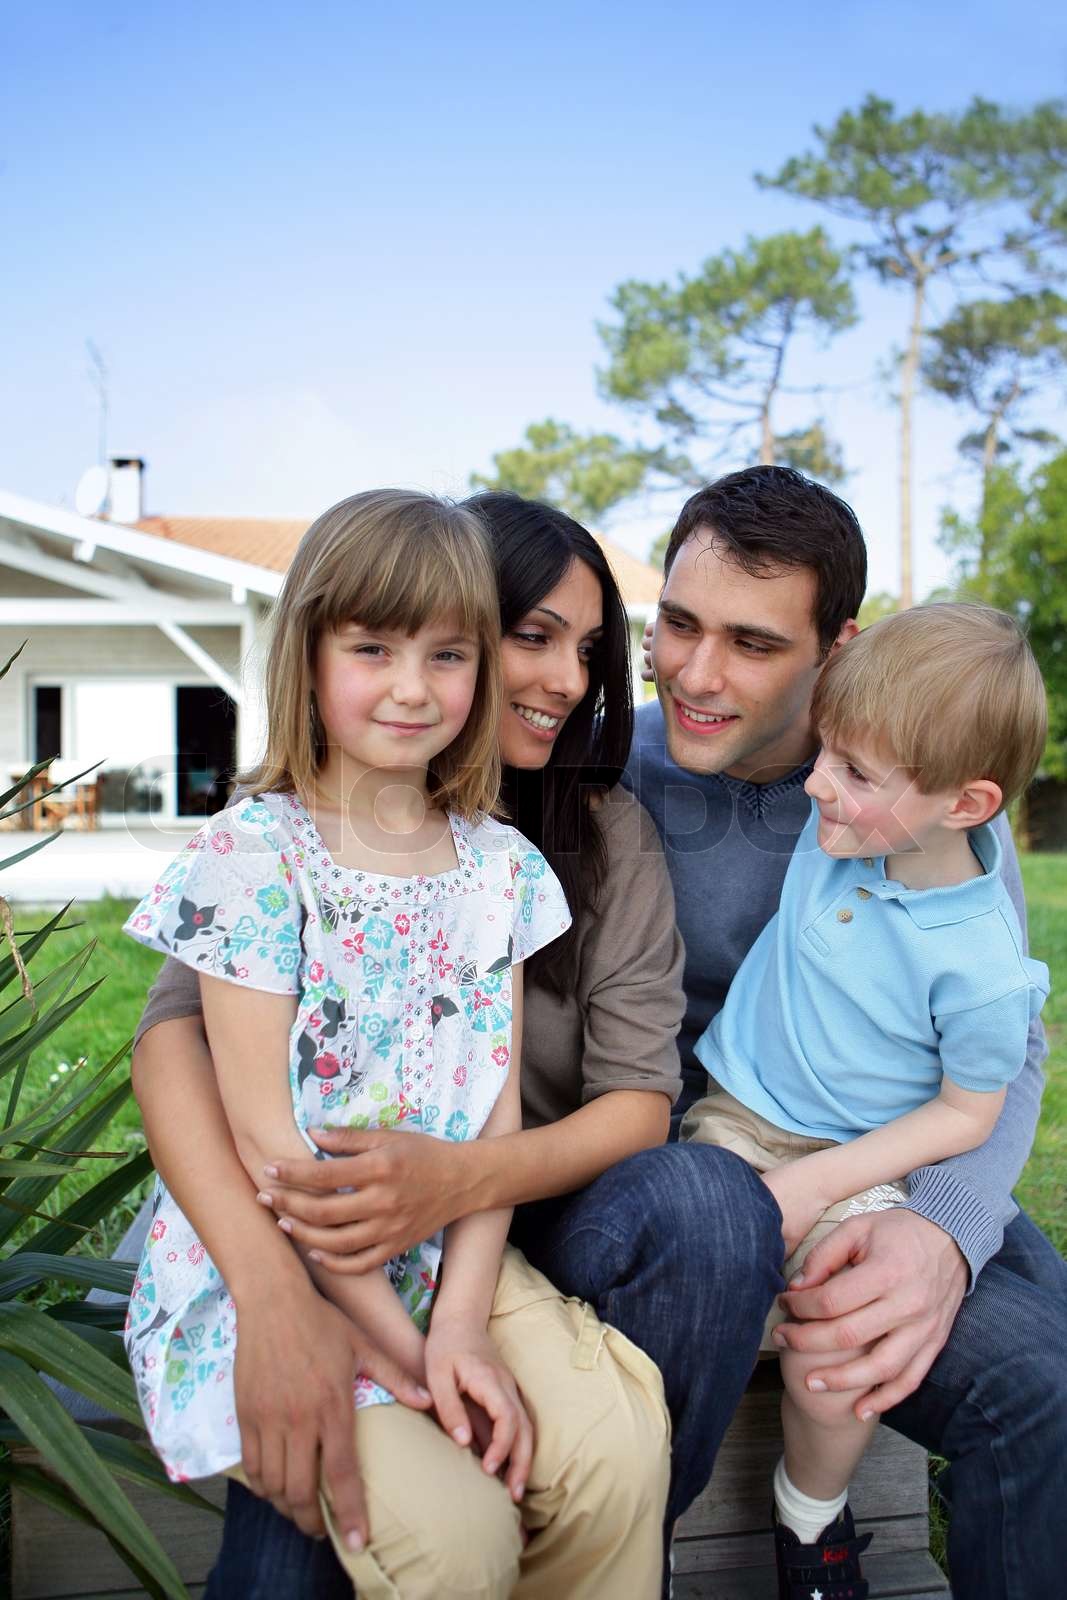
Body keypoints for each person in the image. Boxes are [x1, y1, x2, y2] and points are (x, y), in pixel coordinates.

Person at [131, 490, 759, 1599]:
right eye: (531, 637)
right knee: (378, 1534)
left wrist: (456, 1250)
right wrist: (304, 1302)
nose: (564, 679)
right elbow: (198, 1064)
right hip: (303, 1242)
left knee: (614, 1443)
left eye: (587, 648)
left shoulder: (528, 857)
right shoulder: (262, 847)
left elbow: (530, 1102)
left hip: (483, 1231)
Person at [627, 466, 1065, 1600]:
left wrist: (947, 1232)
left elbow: (1003, 1044)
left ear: (836, 649)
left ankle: (812, 1534)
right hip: (695, 1169)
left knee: (1045, 1375)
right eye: (675, 623)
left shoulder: (925, 802)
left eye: (752, 642)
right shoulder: (601, 768)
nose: (696, 672)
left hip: (887, 1158)